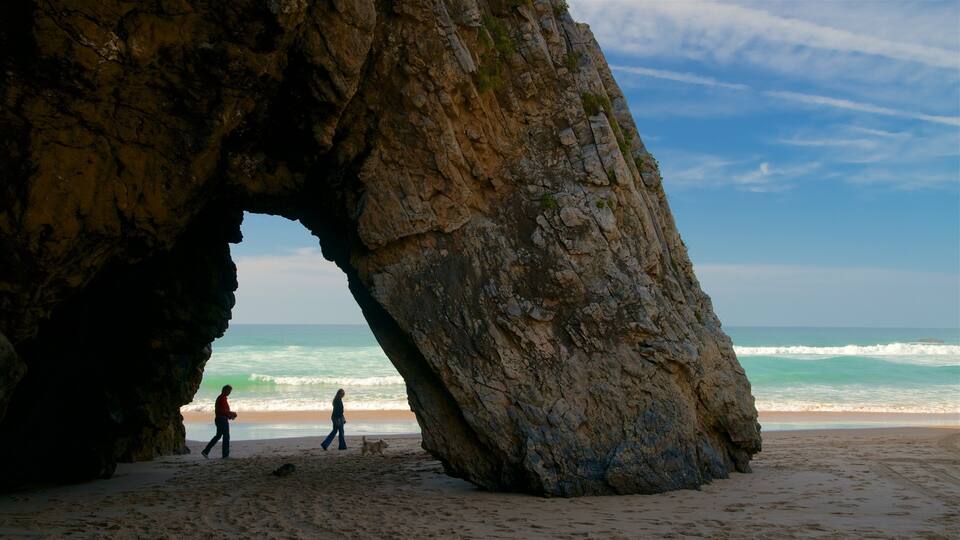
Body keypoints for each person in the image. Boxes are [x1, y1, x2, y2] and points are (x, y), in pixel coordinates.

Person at [202, 385, 237, 459]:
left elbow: (222, 411)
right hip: (222, 420)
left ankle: (206, 451)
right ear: (225, 390)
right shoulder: (222, 398)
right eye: (229, 391)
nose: (229, 393)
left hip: (220, 419)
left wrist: (229, 416)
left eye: (230, 391)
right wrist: (231, 413)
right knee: (226, 436)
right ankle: (225, 455)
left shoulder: (222, 398)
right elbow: (222, 411)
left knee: (218, 436)